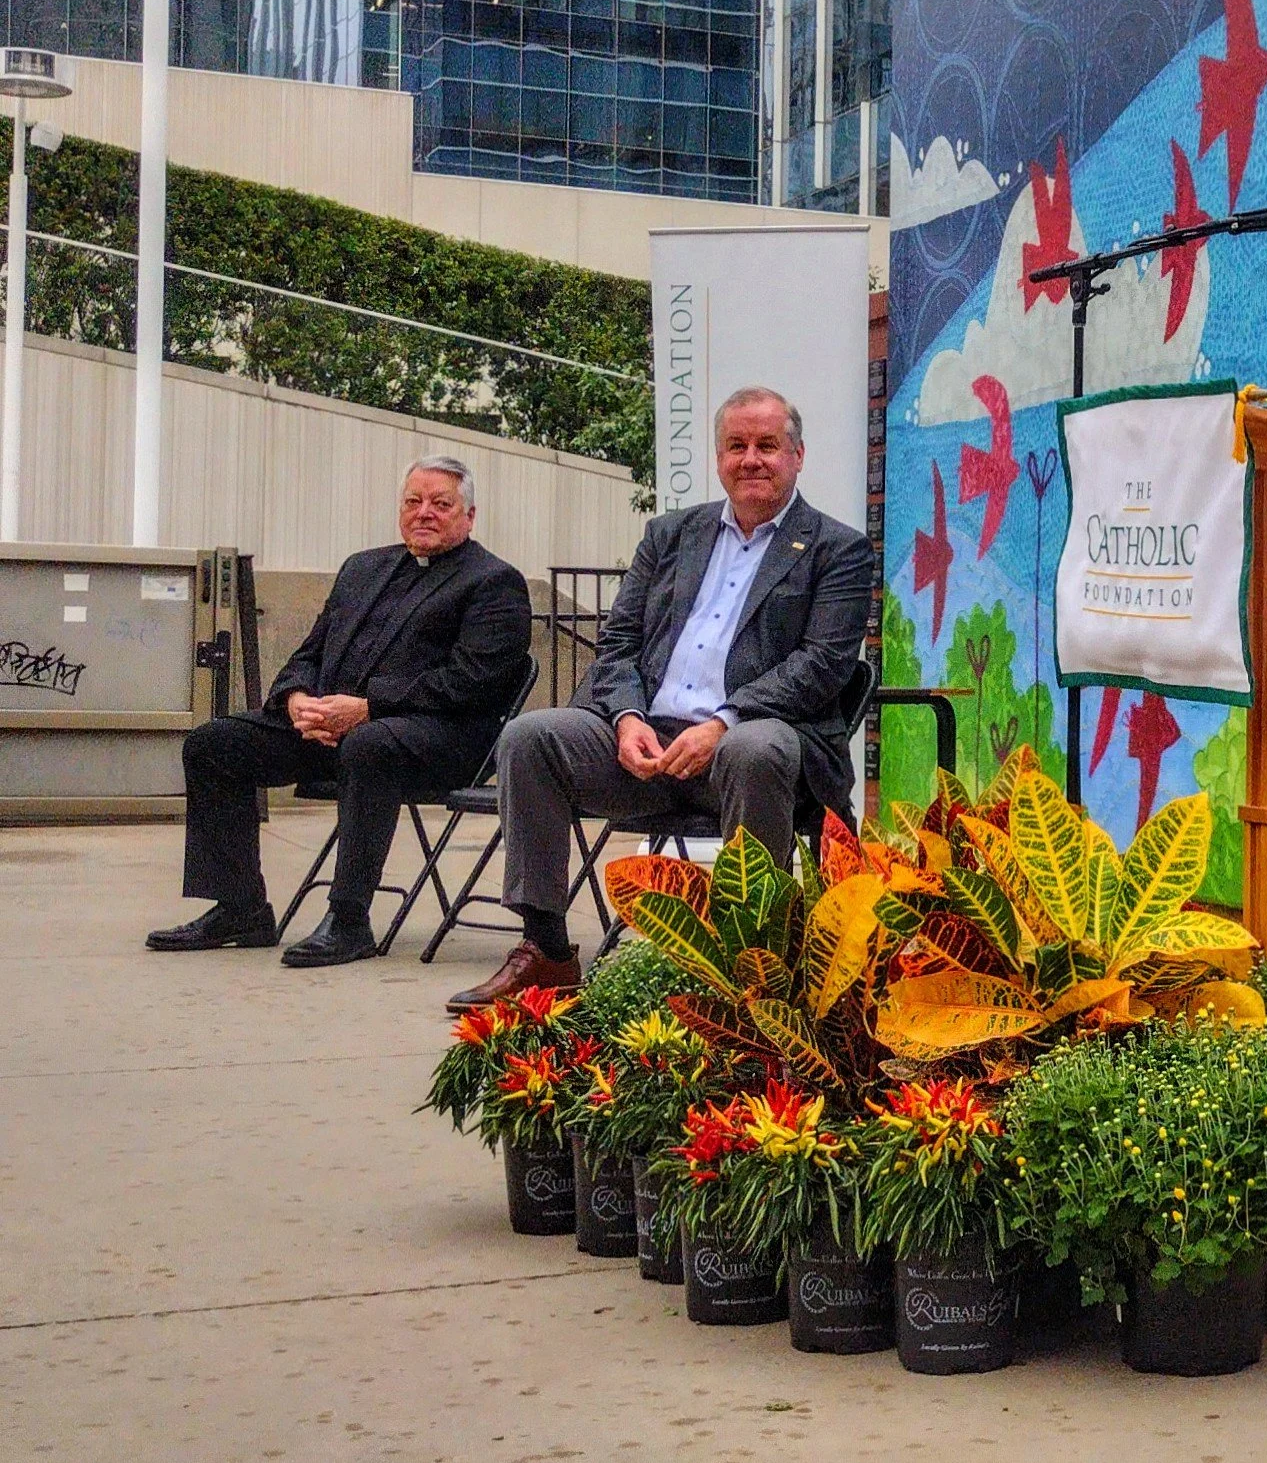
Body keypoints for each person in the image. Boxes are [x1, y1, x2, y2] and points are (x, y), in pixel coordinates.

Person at [457, 386, 873, 1012]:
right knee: (530, 737)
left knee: (754, 749)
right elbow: (619, 640)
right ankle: (546, 951)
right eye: (737, 446)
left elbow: (824, 664)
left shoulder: (837, 549)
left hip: (752, 745)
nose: (751, 459)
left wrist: (723, 724)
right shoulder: (671, 534)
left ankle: (750, 965)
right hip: (646, 747)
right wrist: (625, 719)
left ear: (797, 456)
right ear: (718, 457)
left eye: (767, 445)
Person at [148, 457, 533, 968]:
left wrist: (369, 708)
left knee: (368, 745)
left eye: (441, 504)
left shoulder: (494, 583)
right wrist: (296, 699)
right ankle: (240, 908)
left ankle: (349, 921)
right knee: (214, 744)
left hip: (440, 740)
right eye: (413, 501)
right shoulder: (362, 568)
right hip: (337, 729)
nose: (424, 513)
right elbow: (311, 651)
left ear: (469, 515)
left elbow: (471, 682)